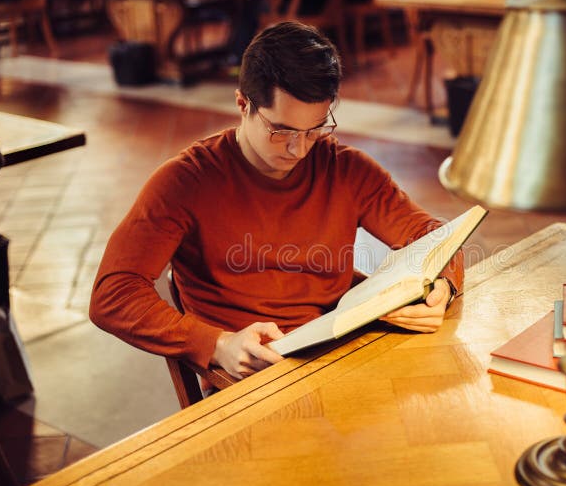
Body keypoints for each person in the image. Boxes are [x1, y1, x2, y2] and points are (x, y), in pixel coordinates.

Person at [89, 21, 463, 381]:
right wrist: (217, 344)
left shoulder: (346, 169)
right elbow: (113, 295)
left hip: (342, 353)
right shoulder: (186, 181)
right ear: (242, 104)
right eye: (280, 130)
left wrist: (440, 289)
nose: (299, 149)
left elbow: (433, 236)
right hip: (252, 376)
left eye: (315, 130)